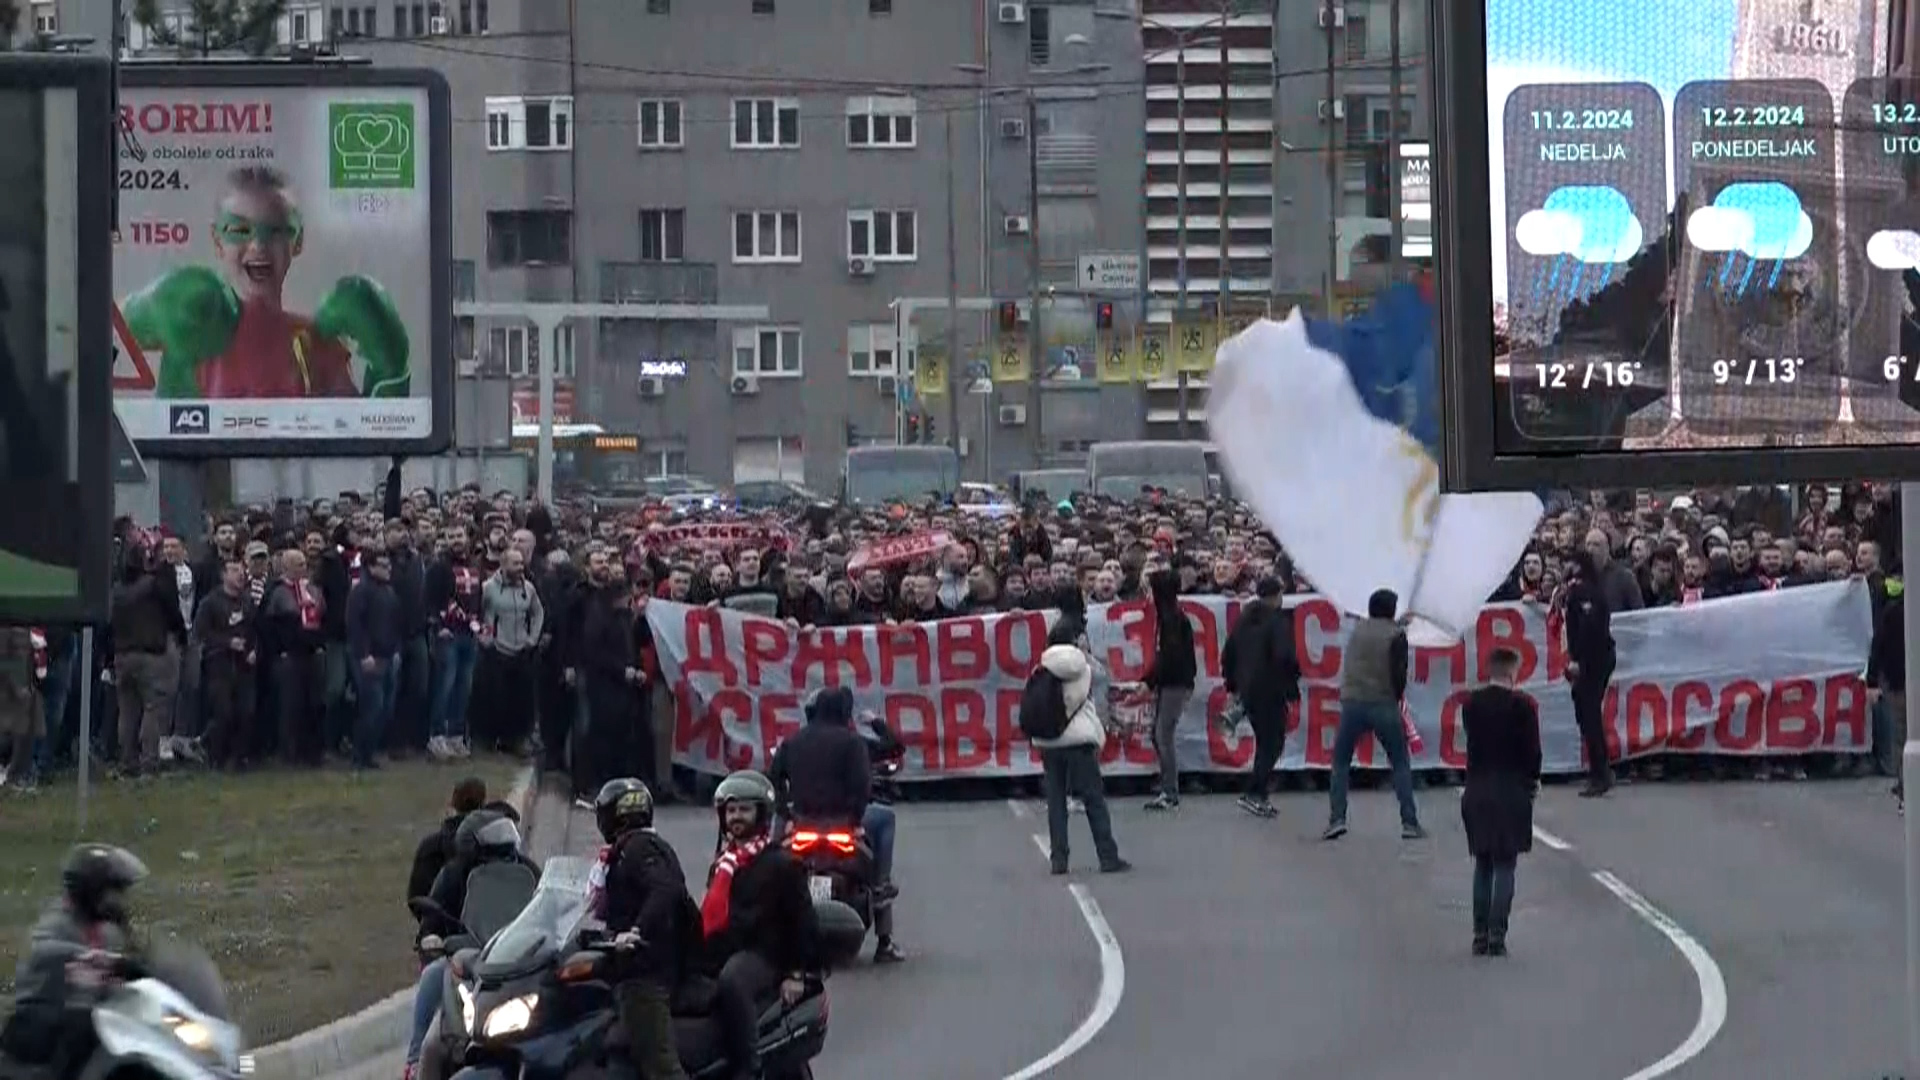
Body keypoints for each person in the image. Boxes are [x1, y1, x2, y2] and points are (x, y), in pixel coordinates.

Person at [120, 164, 409, 399]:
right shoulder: (192, 329)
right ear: (217, 240)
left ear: (297, 240)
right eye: (239, 230)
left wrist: (390, 373)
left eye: (277, 231)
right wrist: (147, 310)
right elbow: (109, 335)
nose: (258, 245)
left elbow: (360, 439)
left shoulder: (318, 343)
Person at [768, 686, 905, 962]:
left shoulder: (793, 742)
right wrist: (875, 722)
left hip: (803, 824)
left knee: (772, 861)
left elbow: (774, 781)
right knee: (885, 819)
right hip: (843, 824)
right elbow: (885, 757)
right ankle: (882, 905)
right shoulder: (853, 742)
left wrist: (787, 814)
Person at [701, 770, 819, 1080]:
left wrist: (795, 974)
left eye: (744, 809)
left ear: (761, 814)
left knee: (732, 981)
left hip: (763, 954)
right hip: (723, 949)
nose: (736, 817)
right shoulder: (723, 864)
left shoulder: (782, 864)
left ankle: (748, 1066)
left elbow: (802, 922)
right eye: (731, 810)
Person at [1, 845, 150, 1071]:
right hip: (43, 1028)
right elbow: (43, 950)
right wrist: (103, 959)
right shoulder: (58, 923)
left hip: (95, 1019)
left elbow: (139, 959)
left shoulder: (109, 930)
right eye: (113, 892)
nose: (119, 900)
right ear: (92, 892)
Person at [594, 778, 698, 1080]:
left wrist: (637, 930)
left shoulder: (639, 848)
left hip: (646, 973)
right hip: (641, 964)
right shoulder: (634, 848)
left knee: (662, 1069)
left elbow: (665, 889)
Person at [1459, 647, 1542, 956]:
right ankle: (1497, 933)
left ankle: (1479, 933)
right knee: (1505, 863)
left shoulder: (1471, 705)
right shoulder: (1523, 707)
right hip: (1511, 789)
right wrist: (1532, 782)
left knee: (1483, 862)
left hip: (1477, 786)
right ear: (1511, 672)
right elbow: (1532, 753)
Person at [1324, 588, 1426, 840]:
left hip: (1353, 701)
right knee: (1399, 762)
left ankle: (1337, 818)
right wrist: (1396, 695)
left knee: (1340, 762)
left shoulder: (1358, 630)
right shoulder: (1396, 635)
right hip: (1383, 702)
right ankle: (1409, 821)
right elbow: (1399, 672)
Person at [1031, 614, 1129, 874]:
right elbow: (1097, 683)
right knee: (1093, 798)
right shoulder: (1083, 667)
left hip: (1050, 740)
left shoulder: (1041, 667)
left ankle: (1059, 858)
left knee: (1056, 801)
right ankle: (1107, 855)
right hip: (1078, 739)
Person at [1222, 576, 1302, 818]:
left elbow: (1228, 653)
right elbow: (1284, 656)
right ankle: (1255, 793)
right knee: (1273, 743)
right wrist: (1292, 683)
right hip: (1271, 689)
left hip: (1248, 690)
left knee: (1264, 741)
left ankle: (1259, 794)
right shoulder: (1277, 622)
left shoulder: (1244, 621)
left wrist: (1233, 685)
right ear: (1276, 596)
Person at [1562, 549, 1617, 798]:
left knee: (1590, 715)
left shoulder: (1585, 592)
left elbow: (1589, 629)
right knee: (1586, 714)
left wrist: (1579, 661)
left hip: (1594, 661)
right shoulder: (1582, 590)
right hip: (1593, 660)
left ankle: (1600, 772)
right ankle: (1599, 769)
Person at [1143, 568, 1197, 811]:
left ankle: (1170, 790)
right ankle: (1167, 782)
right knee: (1159, 734)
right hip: (1172, 682)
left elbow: (1168, 657)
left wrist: (1149, 681)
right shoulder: (1171, 617)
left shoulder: (1171, 620)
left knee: (1163, 735)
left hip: (1175, 683)